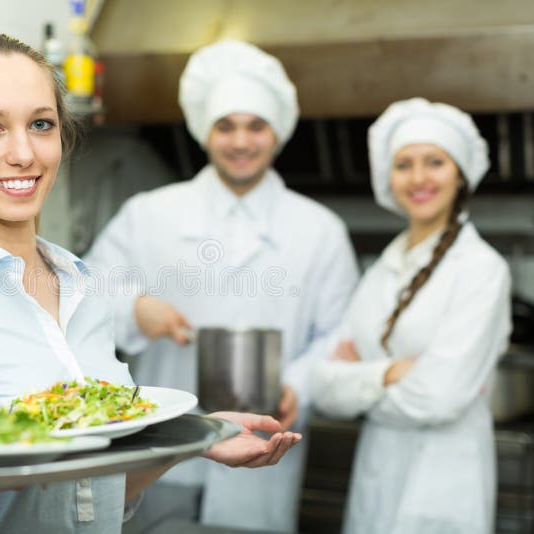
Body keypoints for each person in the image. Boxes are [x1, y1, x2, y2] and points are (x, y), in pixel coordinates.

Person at [0, 34, 302, 534]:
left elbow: (90, 498)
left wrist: (194, 441)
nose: (23, 153)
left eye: (41, 124)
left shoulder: (87, 290)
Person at [84, 40, 358, 531]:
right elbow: (85, 292)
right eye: (225, 126)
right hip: (165, 449)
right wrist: (135, 307)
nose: (240, 141)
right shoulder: (150, 214)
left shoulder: (319, 231)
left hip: (262, 447)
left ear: (277, 133)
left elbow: (340, 337)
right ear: (204, 133)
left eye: (256, 126)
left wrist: (300, 384)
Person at [311, 97, 511, 534]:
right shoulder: (383, 269)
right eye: (404, 164)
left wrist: (362, 376)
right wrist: (392, 373)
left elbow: (437, 398)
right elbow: (324, 386)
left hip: (444, 479)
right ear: (389, 178)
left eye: (435, 162)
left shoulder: (482, 269)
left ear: (459, 174)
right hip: (376, 468)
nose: (419, 177)